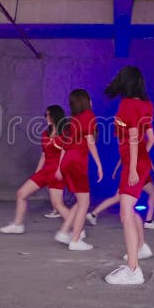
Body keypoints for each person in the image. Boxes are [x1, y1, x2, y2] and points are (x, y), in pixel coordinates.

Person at [103, 66, 154, 285]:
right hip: (138, 162)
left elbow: (133, 138)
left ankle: (133, 269)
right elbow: (150, 139)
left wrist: (132, 168)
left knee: (125, 214)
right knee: (129, 211)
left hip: (134, 165)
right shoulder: (147, 105)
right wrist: (137, 163)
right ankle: (140, 250)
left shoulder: (128, 105)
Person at [0, 105, 71, 234]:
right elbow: (43, 155)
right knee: (21, 193)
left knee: (58, 205)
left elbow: (65, 154)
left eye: (49, 115)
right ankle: (18, 225)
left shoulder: (65, 133)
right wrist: (38, 172)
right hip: (45, 171)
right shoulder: (45, 133)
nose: (46, 118)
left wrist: (60, 170)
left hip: (56, 172)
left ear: (56, 116)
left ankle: (78, 229)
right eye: (46, 115)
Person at [54, 89, 104, 251]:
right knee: (85, 201)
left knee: (80, 199)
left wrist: (60, 168)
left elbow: (64, 146)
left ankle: (64, 231)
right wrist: (99, 165)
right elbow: (90, 143)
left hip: (67, 161)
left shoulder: (73, 120)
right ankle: (75, 240)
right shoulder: (89, 116)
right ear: (86, 101)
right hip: (77, 161)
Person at [86, 160, 154, 229]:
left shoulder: (127, 141)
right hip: (138, 172)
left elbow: (123, 157)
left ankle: (93, 214)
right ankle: (149, 220)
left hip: (128, 172)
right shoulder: (137, 140)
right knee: (153, 193)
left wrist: (115, 170)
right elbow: (145, 155)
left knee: (118, 197)